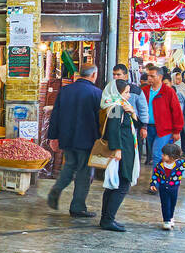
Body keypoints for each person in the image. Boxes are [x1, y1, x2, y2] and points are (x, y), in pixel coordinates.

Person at [46, 65, 102, 217]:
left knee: (69, 167)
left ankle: (56, 190)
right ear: (94, 75)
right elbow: (100, 120)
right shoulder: (97, 93)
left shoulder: (65, 91)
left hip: (67, 138)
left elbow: (55, 115)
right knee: (84, 173)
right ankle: (78, 207)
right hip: (87, 140)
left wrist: (53, 137)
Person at [99, 78, 139, 233]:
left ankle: (107, 218)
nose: (128, 95)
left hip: (125, 150)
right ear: (117, 92)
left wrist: (133, 113)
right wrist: (117, 150)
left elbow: (132, 126)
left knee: (115, 185)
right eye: (126, 92)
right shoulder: (116, 107)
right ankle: (108, 219)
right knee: (122, 184)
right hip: (121, 151)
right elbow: (113, 130)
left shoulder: (121, 106)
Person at [141, 64, 184, 192]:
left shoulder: (168, 92)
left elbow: (176, 112)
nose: (149, 78)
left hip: (164, 129)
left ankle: (156, 184)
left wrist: (177, 131)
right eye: (148, 75)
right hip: (148, 128)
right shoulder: (144, 91)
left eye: (152, 76)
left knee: (157, 154)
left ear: (160, 77)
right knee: (156, 155)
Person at [112, 64, 149, 152]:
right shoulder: (111, 90)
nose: (115, 77)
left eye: (118, 74)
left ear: (126, 76)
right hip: (117, 129)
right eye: (114, 74)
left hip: (133, 128)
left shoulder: (135, 90)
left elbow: (143, 109)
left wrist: (144, 127)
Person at [172, 71, 185, 154]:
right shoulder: (171, 88)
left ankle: (183, 150)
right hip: (175, 114)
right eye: (176, 79)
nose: (178, 80)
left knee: (184, 133)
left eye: (180, 78)